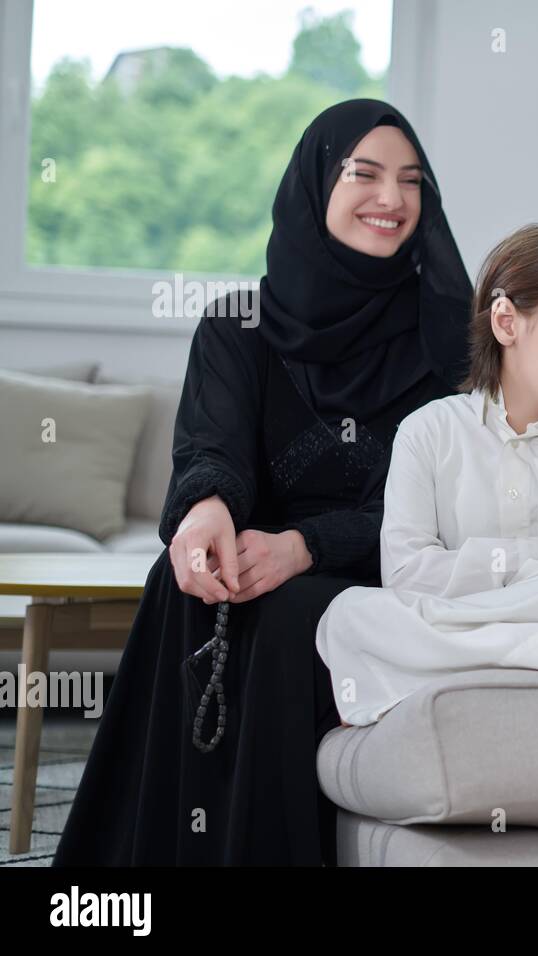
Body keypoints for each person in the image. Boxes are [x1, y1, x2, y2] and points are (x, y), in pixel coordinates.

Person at [52, 99, 474, 866]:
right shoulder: (237, 325)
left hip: (388, 564)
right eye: (365, 174)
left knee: (292, 611)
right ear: (314, 187)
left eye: (411, 181)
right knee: (181, 578)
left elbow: (449, 505)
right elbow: (211, 451)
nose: (392, 199)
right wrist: (205, 513)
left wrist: (305, 546)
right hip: (251, 556)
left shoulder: (452, 335)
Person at [316, 224, 538, 728]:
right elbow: (404, 575)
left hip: (479, 615)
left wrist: (471, 586)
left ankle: (480, 654)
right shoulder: (427, 431)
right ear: (507, 322)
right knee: (350, 615)